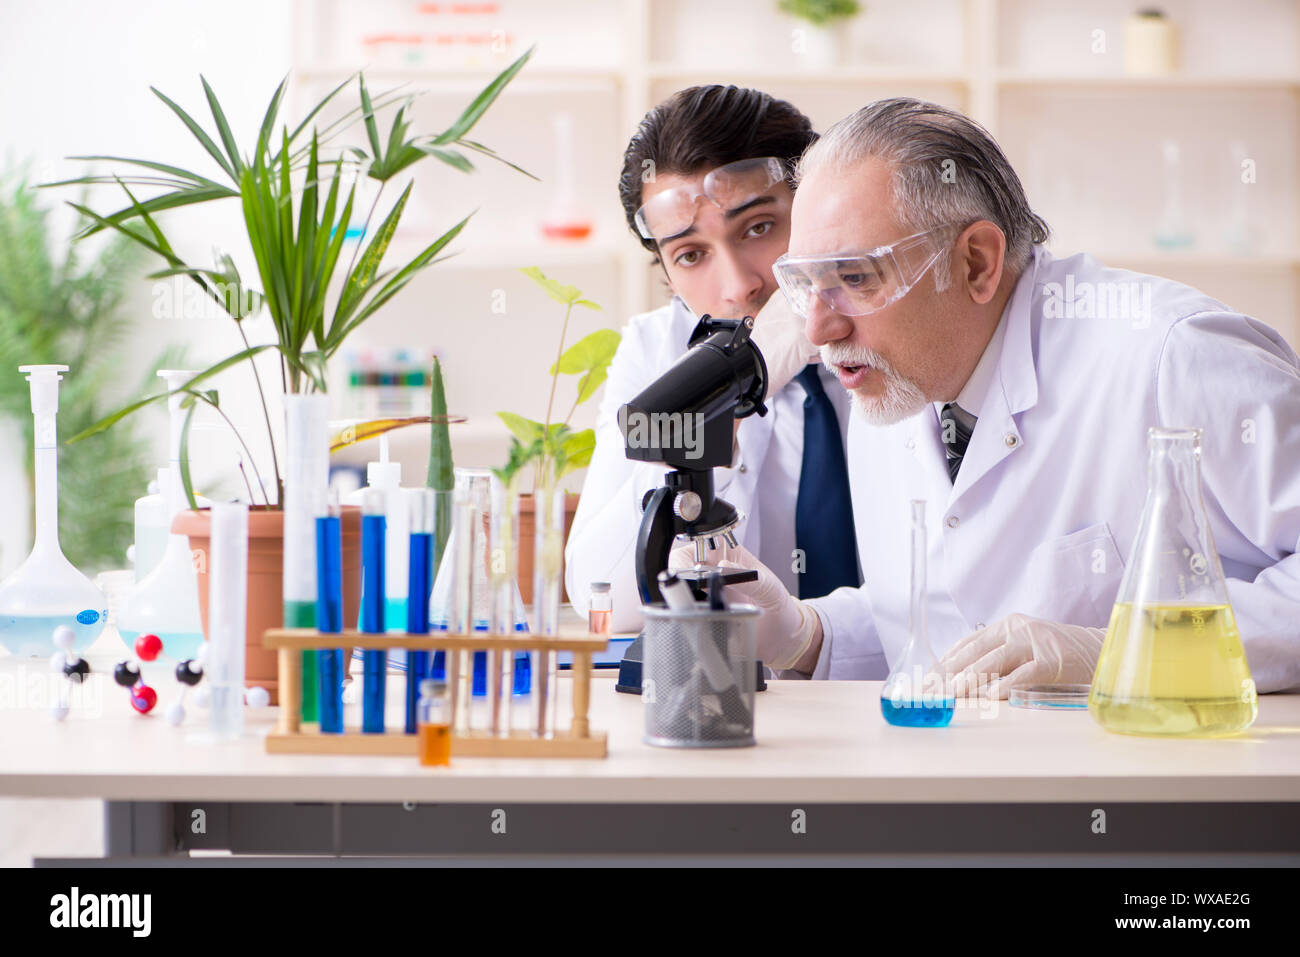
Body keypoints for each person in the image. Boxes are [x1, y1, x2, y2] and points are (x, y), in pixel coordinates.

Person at [699, 97, 1300, 694]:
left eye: (856, 278)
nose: (819, 331)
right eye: (807, 285)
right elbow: (951, 630)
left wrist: (1122, 651)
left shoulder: (1173, 355)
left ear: (977, 262)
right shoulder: (894, 390)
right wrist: (806, 637)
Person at [565, 85, 862, 635]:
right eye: (691, 255)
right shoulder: (655, 349)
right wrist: (728, 388)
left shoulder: (893, 324)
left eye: (758, 228)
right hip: (742, 696)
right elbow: (599, 598)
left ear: (816, 207)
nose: (740, 286)